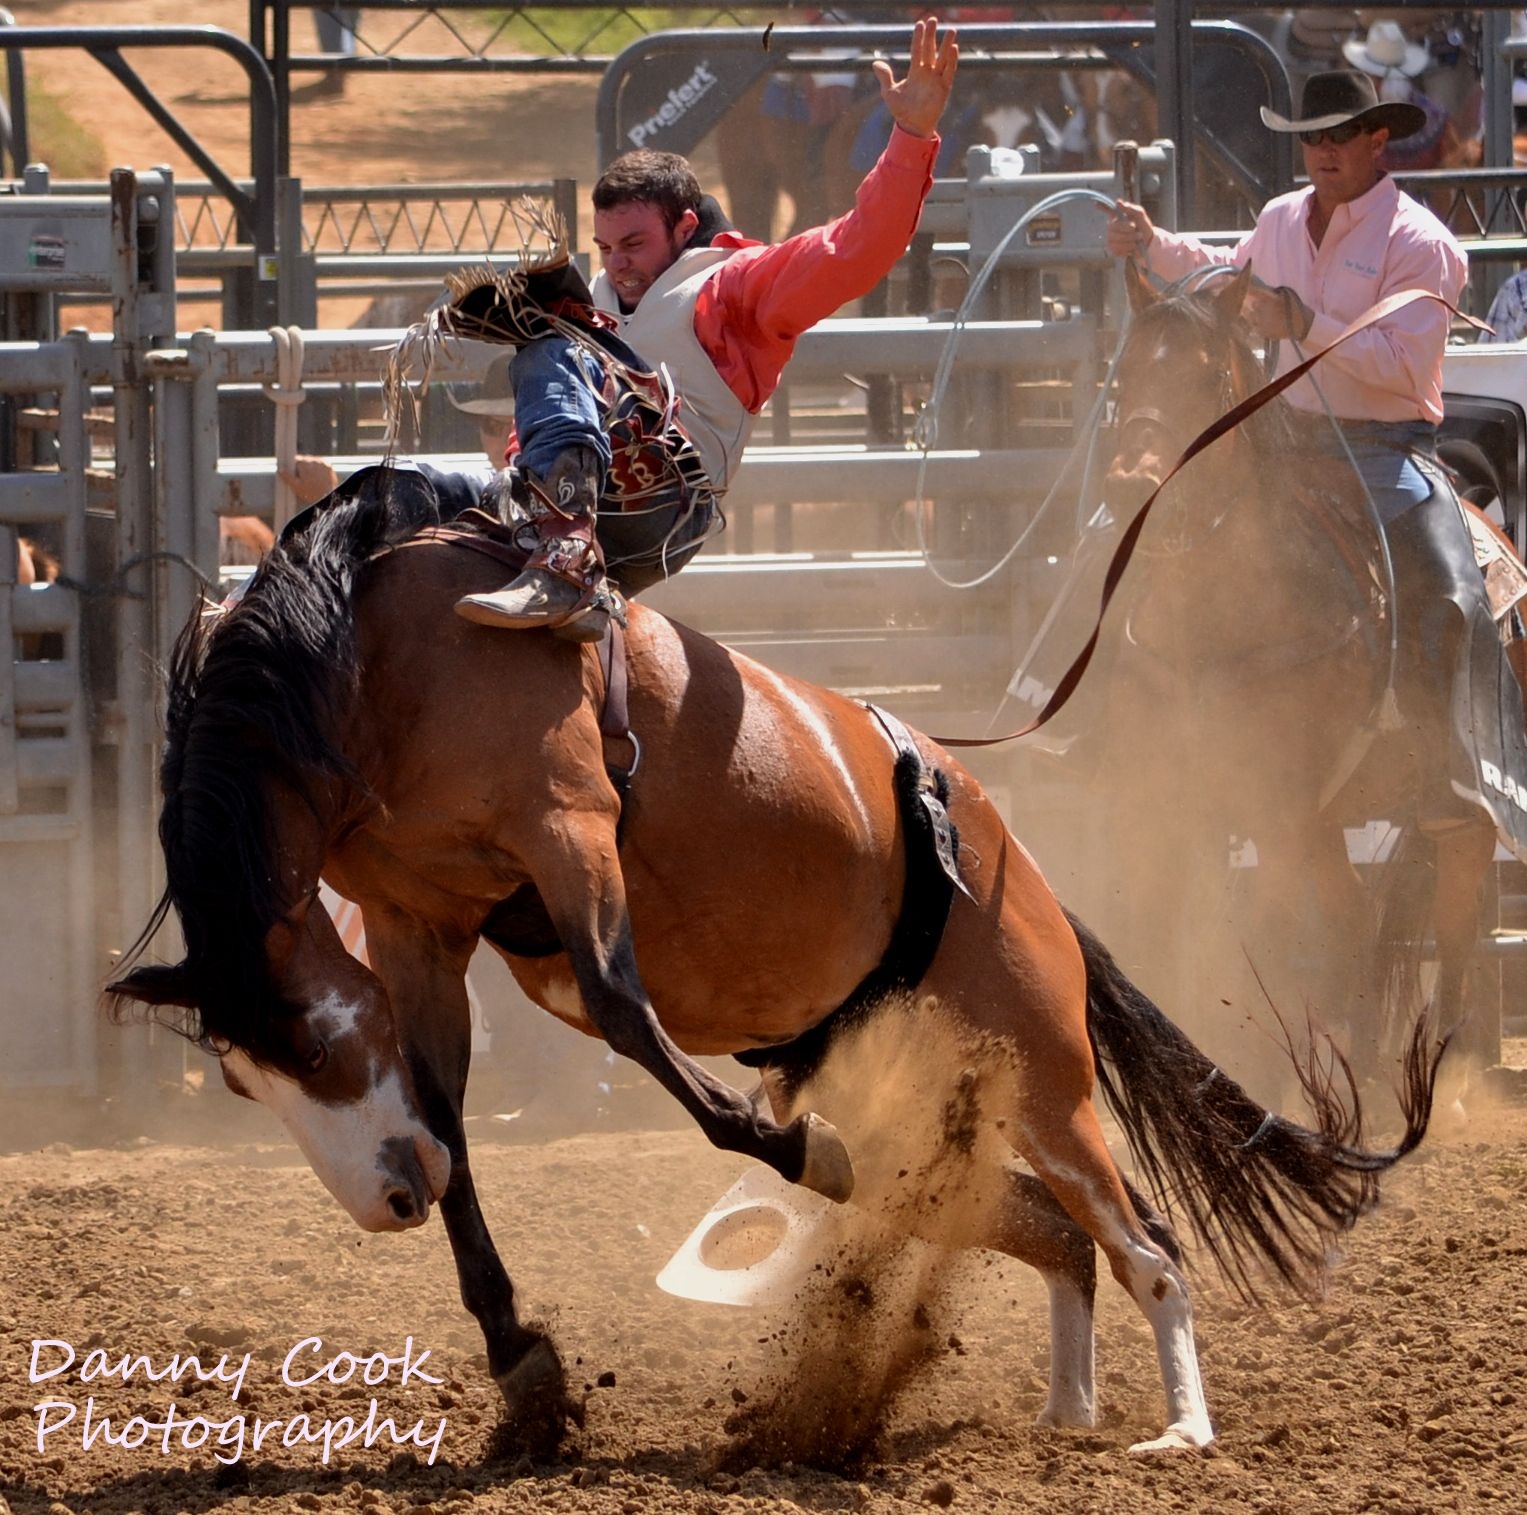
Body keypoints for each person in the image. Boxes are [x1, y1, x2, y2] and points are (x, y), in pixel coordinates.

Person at [433, 16, 959, 642]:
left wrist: (910, 134)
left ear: (684, 229)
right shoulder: (597, 296)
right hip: (576, 498)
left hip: (667, 503)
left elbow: (853, 250)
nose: (616, 262)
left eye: (633, 243)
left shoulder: (734, 285)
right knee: (394, 493)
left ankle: (569, 555)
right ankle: (563, 554)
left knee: (549, 344)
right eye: (604, 246)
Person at [1104, 68, 1494, 820]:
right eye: (1310, 137)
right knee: (1156, 527)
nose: (1322, 149)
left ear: (1376, 141)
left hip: (1388, 449)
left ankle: (1448, 757)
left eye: (1339, 135)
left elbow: (1403, 364)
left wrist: (1303, 324)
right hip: (1281, 440)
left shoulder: (1422, 243)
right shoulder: (1281, 219)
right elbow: (1222, 270)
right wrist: (1153, 244)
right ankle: (1123, 718)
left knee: (1445, 573)